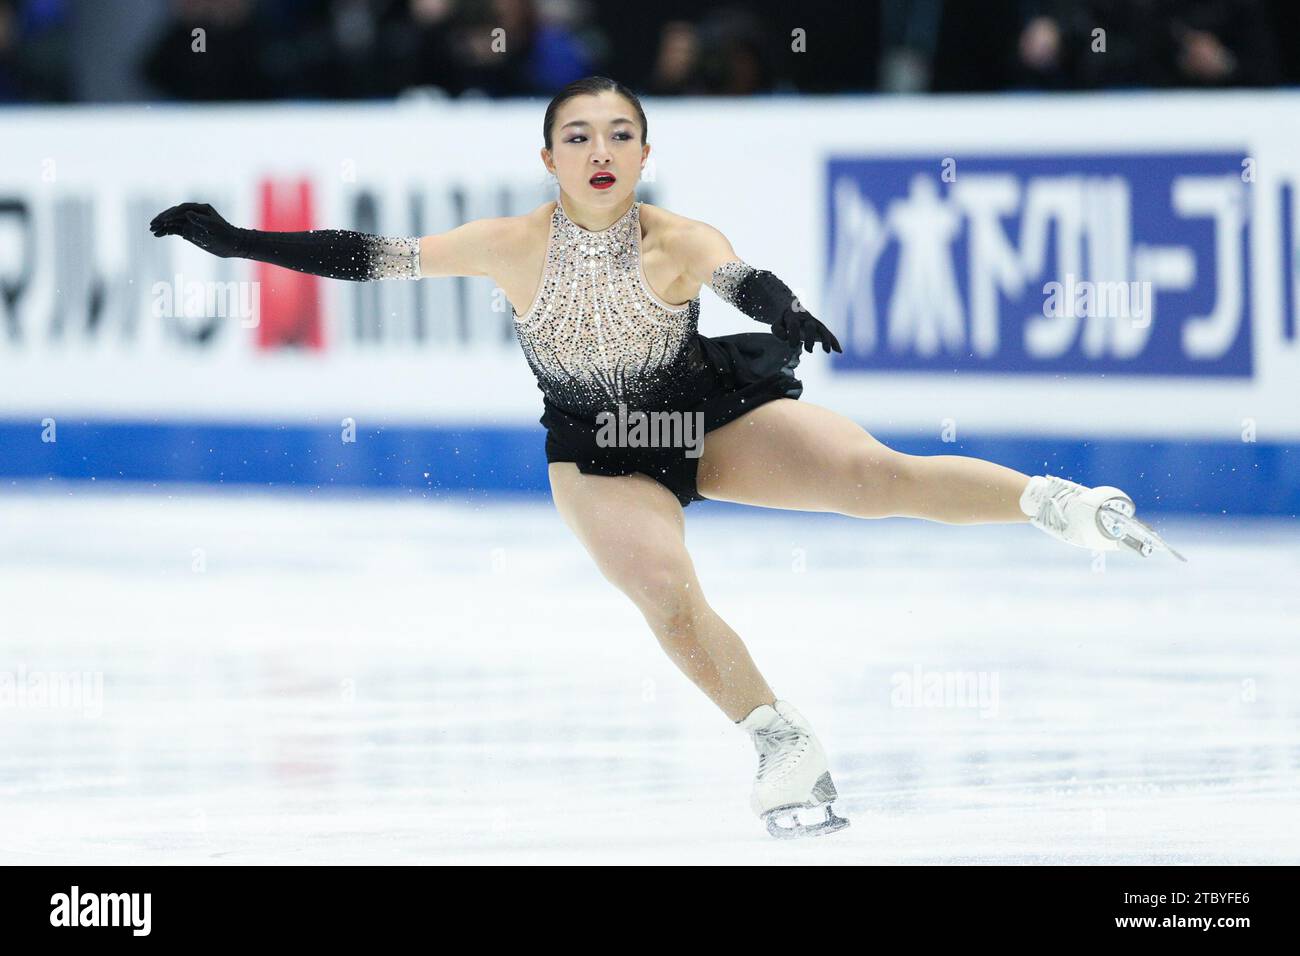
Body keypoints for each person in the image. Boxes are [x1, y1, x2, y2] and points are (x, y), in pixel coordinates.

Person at [149, 75, 1180, 839]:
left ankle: (1059, 504)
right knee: (664, 588)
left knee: (873, 474)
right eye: (578, 136)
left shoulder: (678, 238)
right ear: (548, 159)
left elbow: (744, 279)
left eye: (620, 134)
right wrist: (239, 242)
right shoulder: (512, 243)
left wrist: (788, 311)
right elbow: (373, 257)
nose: (600, 150)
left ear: (643, 154)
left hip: (700, 416)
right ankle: (781, 739)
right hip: (602, 454)